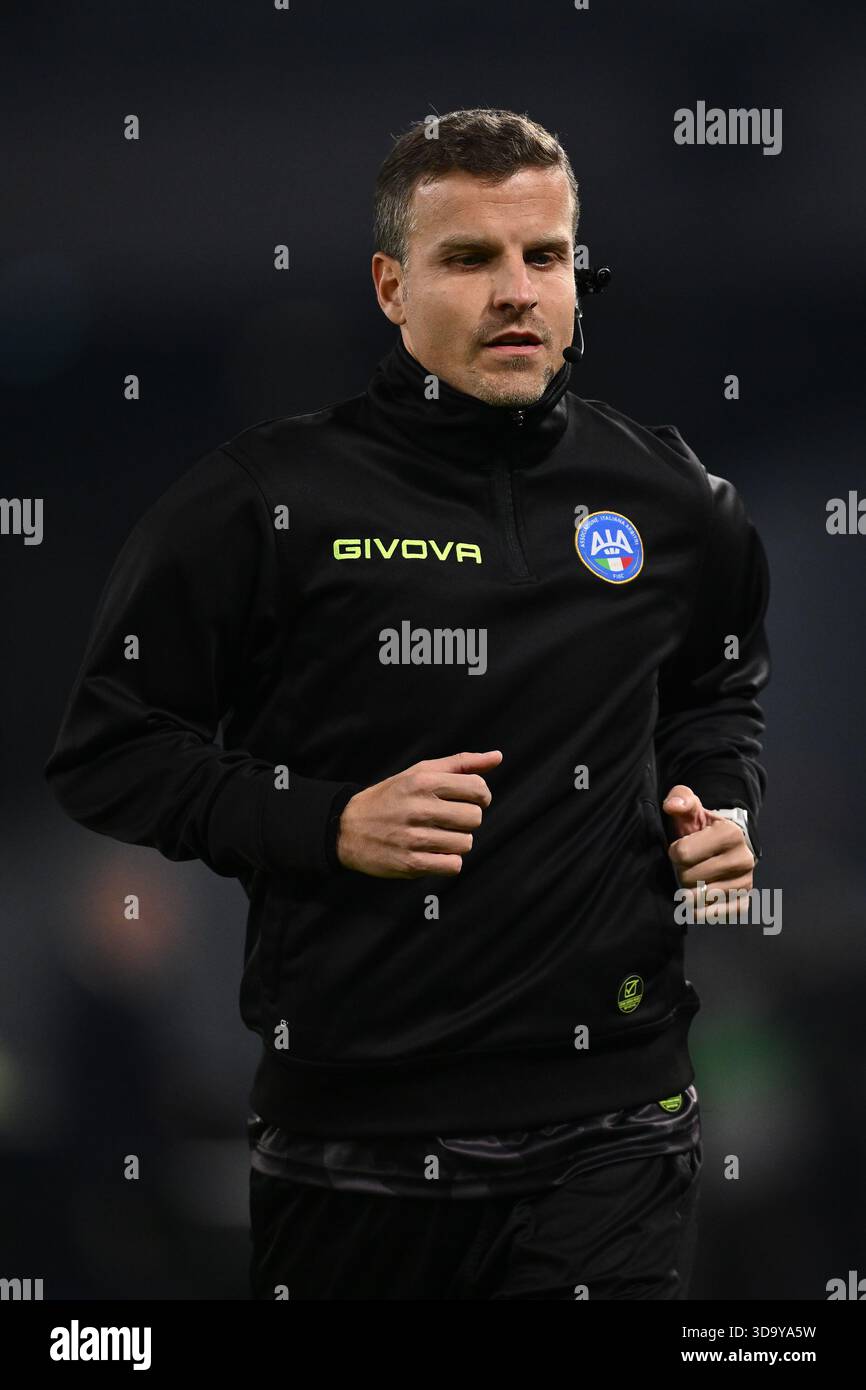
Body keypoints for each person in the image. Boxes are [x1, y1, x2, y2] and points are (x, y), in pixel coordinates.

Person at [44, 107, 770, 1300]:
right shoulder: (263, 503)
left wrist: (719, 798)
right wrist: (320, 822)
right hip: (353, 1149)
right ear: (390, 285)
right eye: (469, 258)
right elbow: (106, 752)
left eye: (544, 256)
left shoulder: (672, 499)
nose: (516, 292)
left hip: (616, 1129)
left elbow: (714, 688)